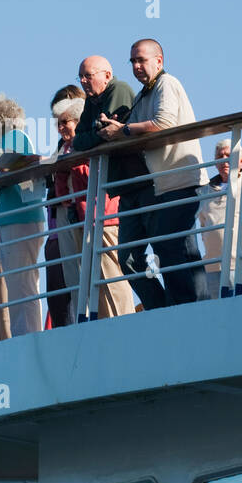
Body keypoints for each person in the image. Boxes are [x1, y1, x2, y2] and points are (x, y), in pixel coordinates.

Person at [97, 39, 207, 308]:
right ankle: (166, 307)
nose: (136, 66)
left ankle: (193, 307)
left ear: (159, 61)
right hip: (160, 184)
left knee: (175, 247)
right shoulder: (143, 94)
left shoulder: (166, 84)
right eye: (133, 61)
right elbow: (136, 129)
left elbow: (164, 124)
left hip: (181, 178)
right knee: (145, 255)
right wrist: (116, 127)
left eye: (141, 60)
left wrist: (122, 130)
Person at [71, 54, 156, 305]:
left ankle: (172, 304)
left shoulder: (118, 89)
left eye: (89, 75)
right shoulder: (92, 101)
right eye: (81, 76)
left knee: (162, 249)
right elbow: (80, 139)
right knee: (128, 258)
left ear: (107, 75)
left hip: (145, 180)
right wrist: (98, 132)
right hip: (124, 186)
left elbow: (109, 130)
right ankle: (158, 304)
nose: (84, 81)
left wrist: (99, 132)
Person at [52, 97, 137, 319]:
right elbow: (61, 184)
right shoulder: (67, 147)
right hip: (78, 216)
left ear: (78, 121)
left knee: (111, 276)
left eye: (65, 122)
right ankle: (101, 323)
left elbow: (99, 175)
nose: (61, 128)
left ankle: (122, 321)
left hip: (104, 215)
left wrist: (73, 163)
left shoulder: (90, 140)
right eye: (58, 124)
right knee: (89, 277)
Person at [0, 95, 46, 336]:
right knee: (19, 281)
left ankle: (27, 334)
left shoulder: (15, 138)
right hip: (13, 218)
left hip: (20, 217)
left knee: (22, 282)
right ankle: (24, 332)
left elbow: (3, 168)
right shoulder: (5, 142)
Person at [196, 139, 242, 296]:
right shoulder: (204, 192)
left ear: (241, 160)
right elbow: (203, 225)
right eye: (220, 156)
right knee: (219, 317)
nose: (224, 159)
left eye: (228, 155)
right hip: (213, 267)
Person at [44, 85, 85, 327]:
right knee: (58, 296)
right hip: (56, 228)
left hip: (78, 219)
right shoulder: (61, 147)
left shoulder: (82, 141)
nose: (60, 126)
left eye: (64, 118)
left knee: (77, 286)